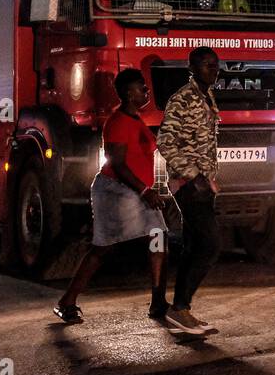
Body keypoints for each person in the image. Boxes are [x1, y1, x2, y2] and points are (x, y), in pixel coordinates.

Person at [54, 69, 168, 325]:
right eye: (142, 88)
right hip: (116, 190)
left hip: (134, 189)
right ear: (129, 93)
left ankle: (158, 300)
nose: (146, 91)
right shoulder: (118, 122)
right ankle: (67, 301)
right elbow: (118, 164)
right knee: (103, 248)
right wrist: (144, 190)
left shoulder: (135, 118)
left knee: (158, 236)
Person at [156, 46, 224, 336]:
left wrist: (208, 179)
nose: (214, 70)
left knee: (193, 246)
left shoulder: (206, 96)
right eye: (208, 65)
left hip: (201, 184)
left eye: (216, 65)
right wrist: (194, 176)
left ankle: (181, 311)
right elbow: (165, 142)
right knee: (210, 245)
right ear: (193, 68)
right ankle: (179, 307)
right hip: (188, 185)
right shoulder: (182, 99)